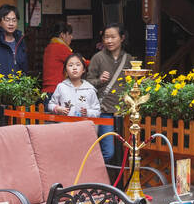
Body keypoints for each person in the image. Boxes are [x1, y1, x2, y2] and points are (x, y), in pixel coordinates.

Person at [86, 22, 131, 180]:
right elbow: (86, 83)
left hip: (124, 113)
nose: (109, 40)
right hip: (104, 111)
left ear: (122, 38)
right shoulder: (98, 58)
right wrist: (99, 80)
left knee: (124, 151)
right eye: (106, 37)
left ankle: (117, 182)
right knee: (108, 151)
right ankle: (97, 179)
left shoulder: (129, 59)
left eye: (113, 37)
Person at [48, 54, 100, 119]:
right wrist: (58, 109)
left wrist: (88, 113)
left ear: (83, 69)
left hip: (84, 126)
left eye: (78, 65)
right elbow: (51, 105)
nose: (74, 68)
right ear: (66, 70)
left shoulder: (90, 89)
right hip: (65, 126)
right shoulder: (61, 87)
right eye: (70, 65)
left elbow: (97, 111)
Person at [42, 22, 76, 93]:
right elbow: (79, 62)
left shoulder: (49, 47)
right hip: (56, 90)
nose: (71, 37)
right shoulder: (60, 47)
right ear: (62, 35)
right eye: (69, 34)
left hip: (47, 90)